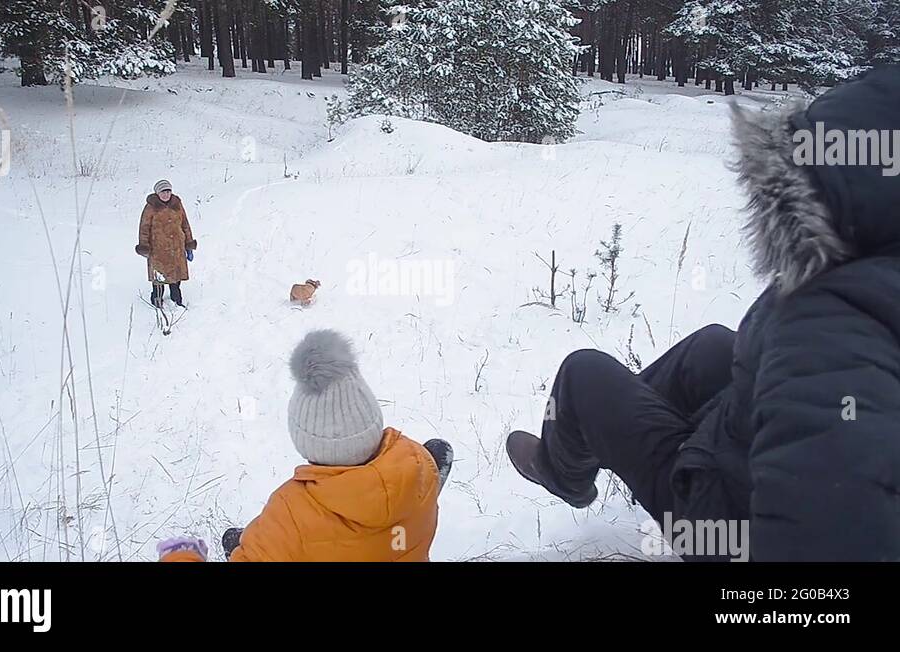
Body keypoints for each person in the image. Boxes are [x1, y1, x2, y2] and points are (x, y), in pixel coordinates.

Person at [507, 64, 900, 561]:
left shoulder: (833, 320)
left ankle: (565, 472)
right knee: (711, 346)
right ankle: (614, 441)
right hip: (745, 444)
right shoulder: (872, 274)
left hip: (719, 518)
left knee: (584, 373)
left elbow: (828, 525)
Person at [159, 329, 454, 562]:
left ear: (306, 440)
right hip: (398, 545)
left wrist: (182, 556)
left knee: (251, 542)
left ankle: (251, 544)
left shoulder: (290, 515)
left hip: (285, 544)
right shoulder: (420, 464)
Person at [136, 179, 196, 308]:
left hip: (177, 247)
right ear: (157, 193)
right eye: (163, 192)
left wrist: (189, 244)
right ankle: (157, 300)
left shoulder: (177, 204)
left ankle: (177, 300)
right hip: (158, 249)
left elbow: (185, 224)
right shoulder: (151, 207)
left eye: (168, 191)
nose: (166, 194)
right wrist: (144, 247)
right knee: (159, 277)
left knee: (176, 276)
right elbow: (144, 228)